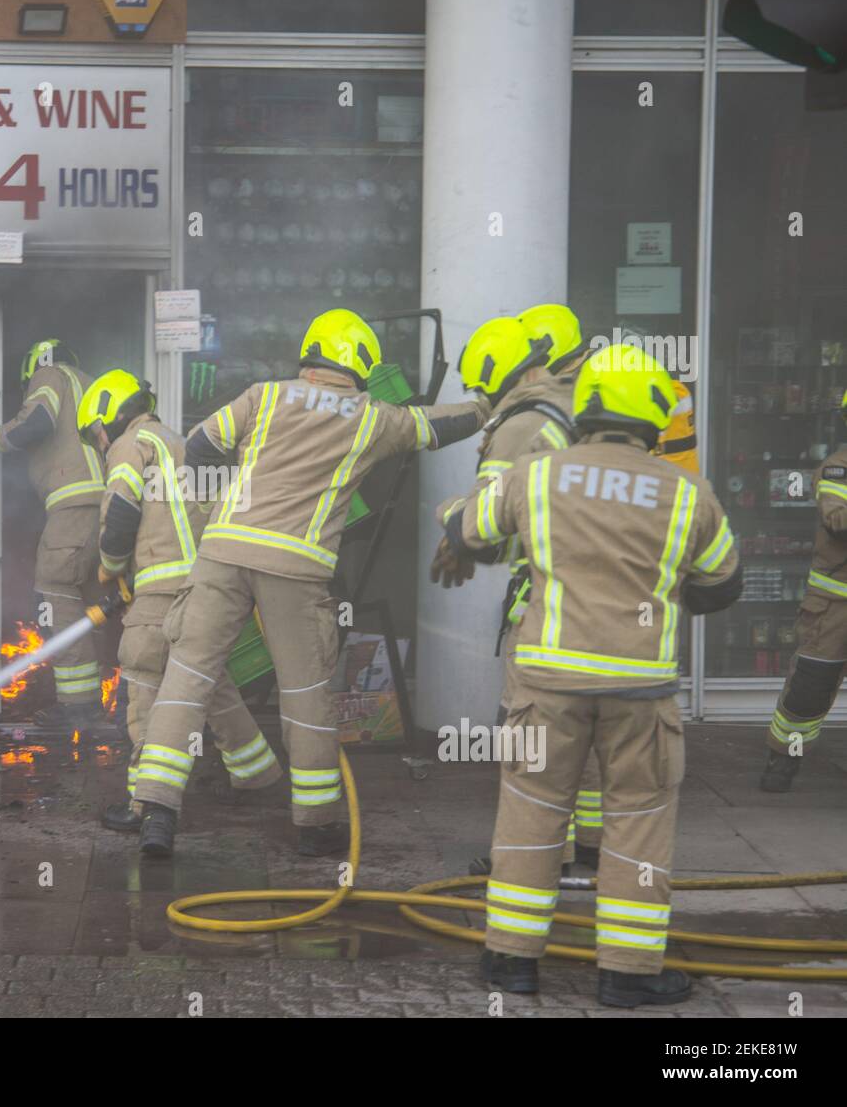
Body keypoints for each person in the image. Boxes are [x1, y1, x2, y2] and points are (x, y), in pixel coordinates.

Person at [131, 308, 490, 858]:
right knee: (303, 693)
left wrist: (226, 504)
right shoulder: (372, 418)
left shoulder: (263, 395)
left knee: (187, 674)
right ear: (360, 362)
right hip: (295, 568)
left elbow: (201, 445)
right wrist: (489, 406)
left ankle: (156, 810)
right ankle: (315, 824)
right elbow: (438, 427)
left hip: (223, 551)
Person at [448, 343, 741, 1008]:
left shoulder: (537, 472)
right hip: (642, 690)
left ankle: (510, 962)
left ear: (587, 407)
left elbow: (472, 533)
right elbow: (723, 586)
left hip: (547, 682)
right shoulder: (688, 492)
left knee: (531, 813)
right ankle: (628, 974)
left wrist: (453, 526)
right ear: (654, 417)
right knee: (637, 820)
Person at [77, 370, 283, 833]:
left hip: (159, 596)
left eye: (96, 434)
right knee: (205, 679)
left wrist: (110, 565)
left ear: (109, 417)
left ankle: (143, 805)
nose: (100, 443)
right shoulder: (184, 443)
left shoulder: (132, 444)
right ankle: (256, 773)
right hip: (208, 589)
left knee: (145, 684)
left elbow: (122, 510)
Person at [431, 309, 601, 869]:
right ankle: (590, 853)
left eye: (483, 387)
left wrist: (452, 527)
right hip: (604, 605)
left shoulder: (521, 426)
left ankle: (524, 858)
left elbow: (488, 524)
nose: (483, 400)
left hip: (548, 605)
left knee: (525, 733)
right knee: (589, 735)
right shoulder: (579, 407)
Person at [0, 339, 106, 730]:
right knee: (86, 597)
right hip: (107, 505)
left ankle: (79, 707)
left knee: (56, 591)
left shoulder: (50, 374)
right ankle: (111, 702)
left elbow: (38, 423)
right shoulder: (91, 383)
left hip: (75, 506)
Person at [761, 390, 847, 792]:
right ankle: (784, 759)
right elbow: (837, 519)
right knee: (809, 690)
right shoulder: (837, 470)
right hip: (833, 608)